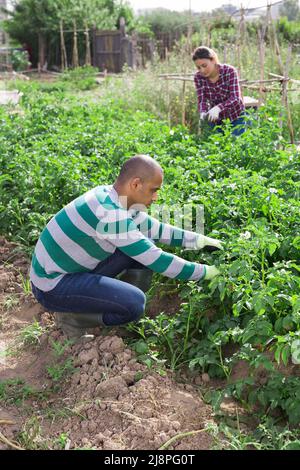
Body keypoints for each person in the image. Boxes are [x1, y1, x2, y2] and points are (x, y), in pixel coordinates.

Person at [30, 155, 222, 341]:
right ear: (136, 184)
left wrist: (203, 242)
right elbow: (157, 260)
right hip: (51, 286)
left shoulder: (114, 198)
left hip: (70, 271)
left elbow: (157, 230)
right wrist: (207, 272)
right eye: (153, 190)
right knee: (134, 303)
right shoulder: (110, 213)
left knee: (144, 242)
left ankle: (114, 309)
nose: (155, 197)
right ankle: (72, 319)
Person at [192, 46, 246, 136]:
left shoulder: (229, 71)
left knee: (236, 146)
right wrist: (203, 112)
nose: (202, 70)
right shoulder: (198, 77)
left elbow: (236, 98)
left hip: (235, 116)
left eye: (204, 65)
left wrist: (218, 108)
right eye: (198, 67)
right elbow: (202, 100)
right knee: (214, 146)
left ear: (213, 60)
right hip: (214, 118)